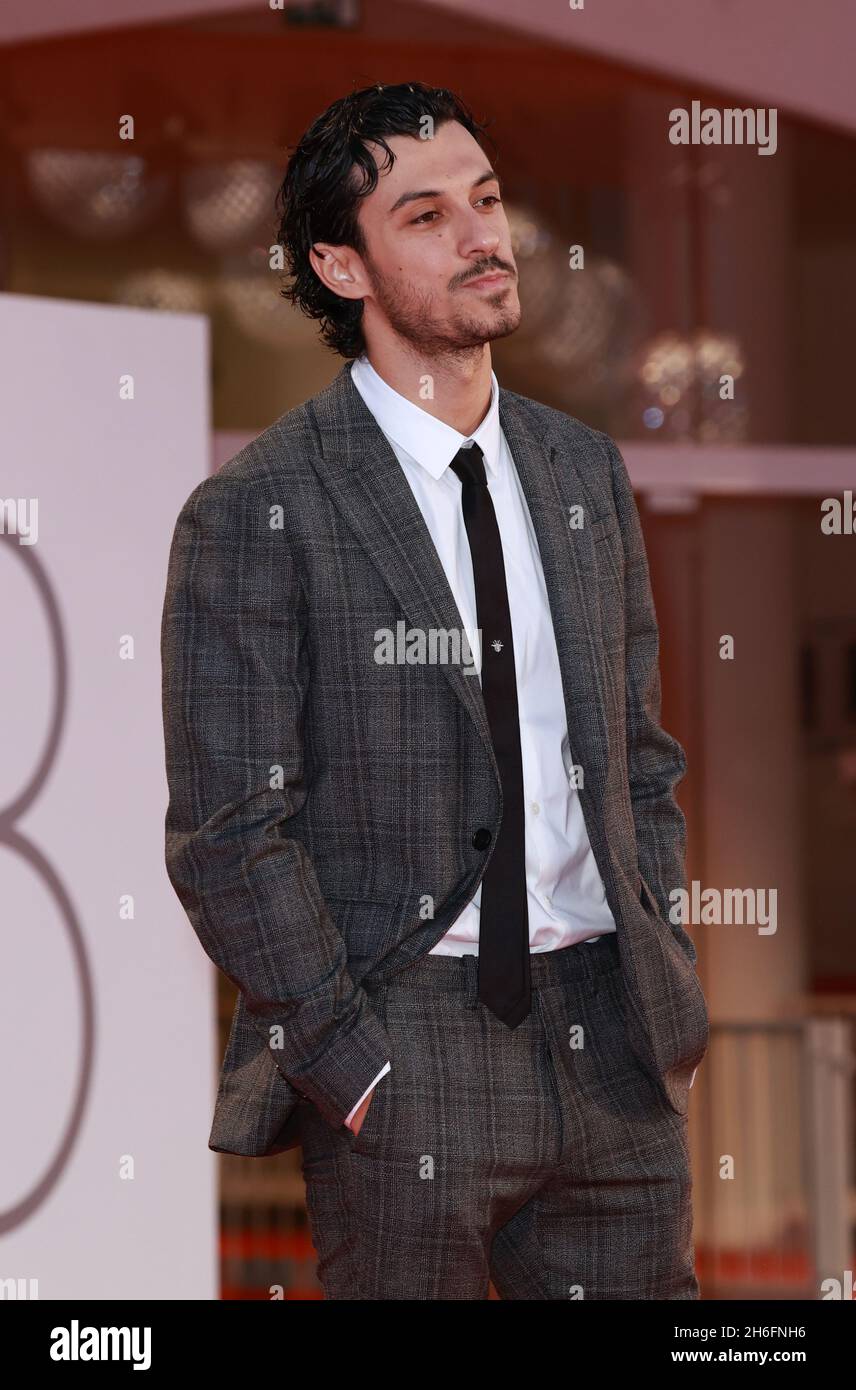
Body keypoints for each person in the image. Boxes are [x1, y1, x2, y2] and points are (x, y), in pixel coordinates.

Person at [160, 81, 709, 1300]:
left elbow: (638, 756)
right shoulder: (257, 507)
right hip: (402, 1039)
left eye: (488, 199)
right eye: (426, 215)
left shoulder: (582, 470)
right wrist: (349, 1062)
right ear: (339, 267)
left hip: (612, 1037)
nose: (481, 236)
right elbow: (228, 832)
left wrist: (665, 970)